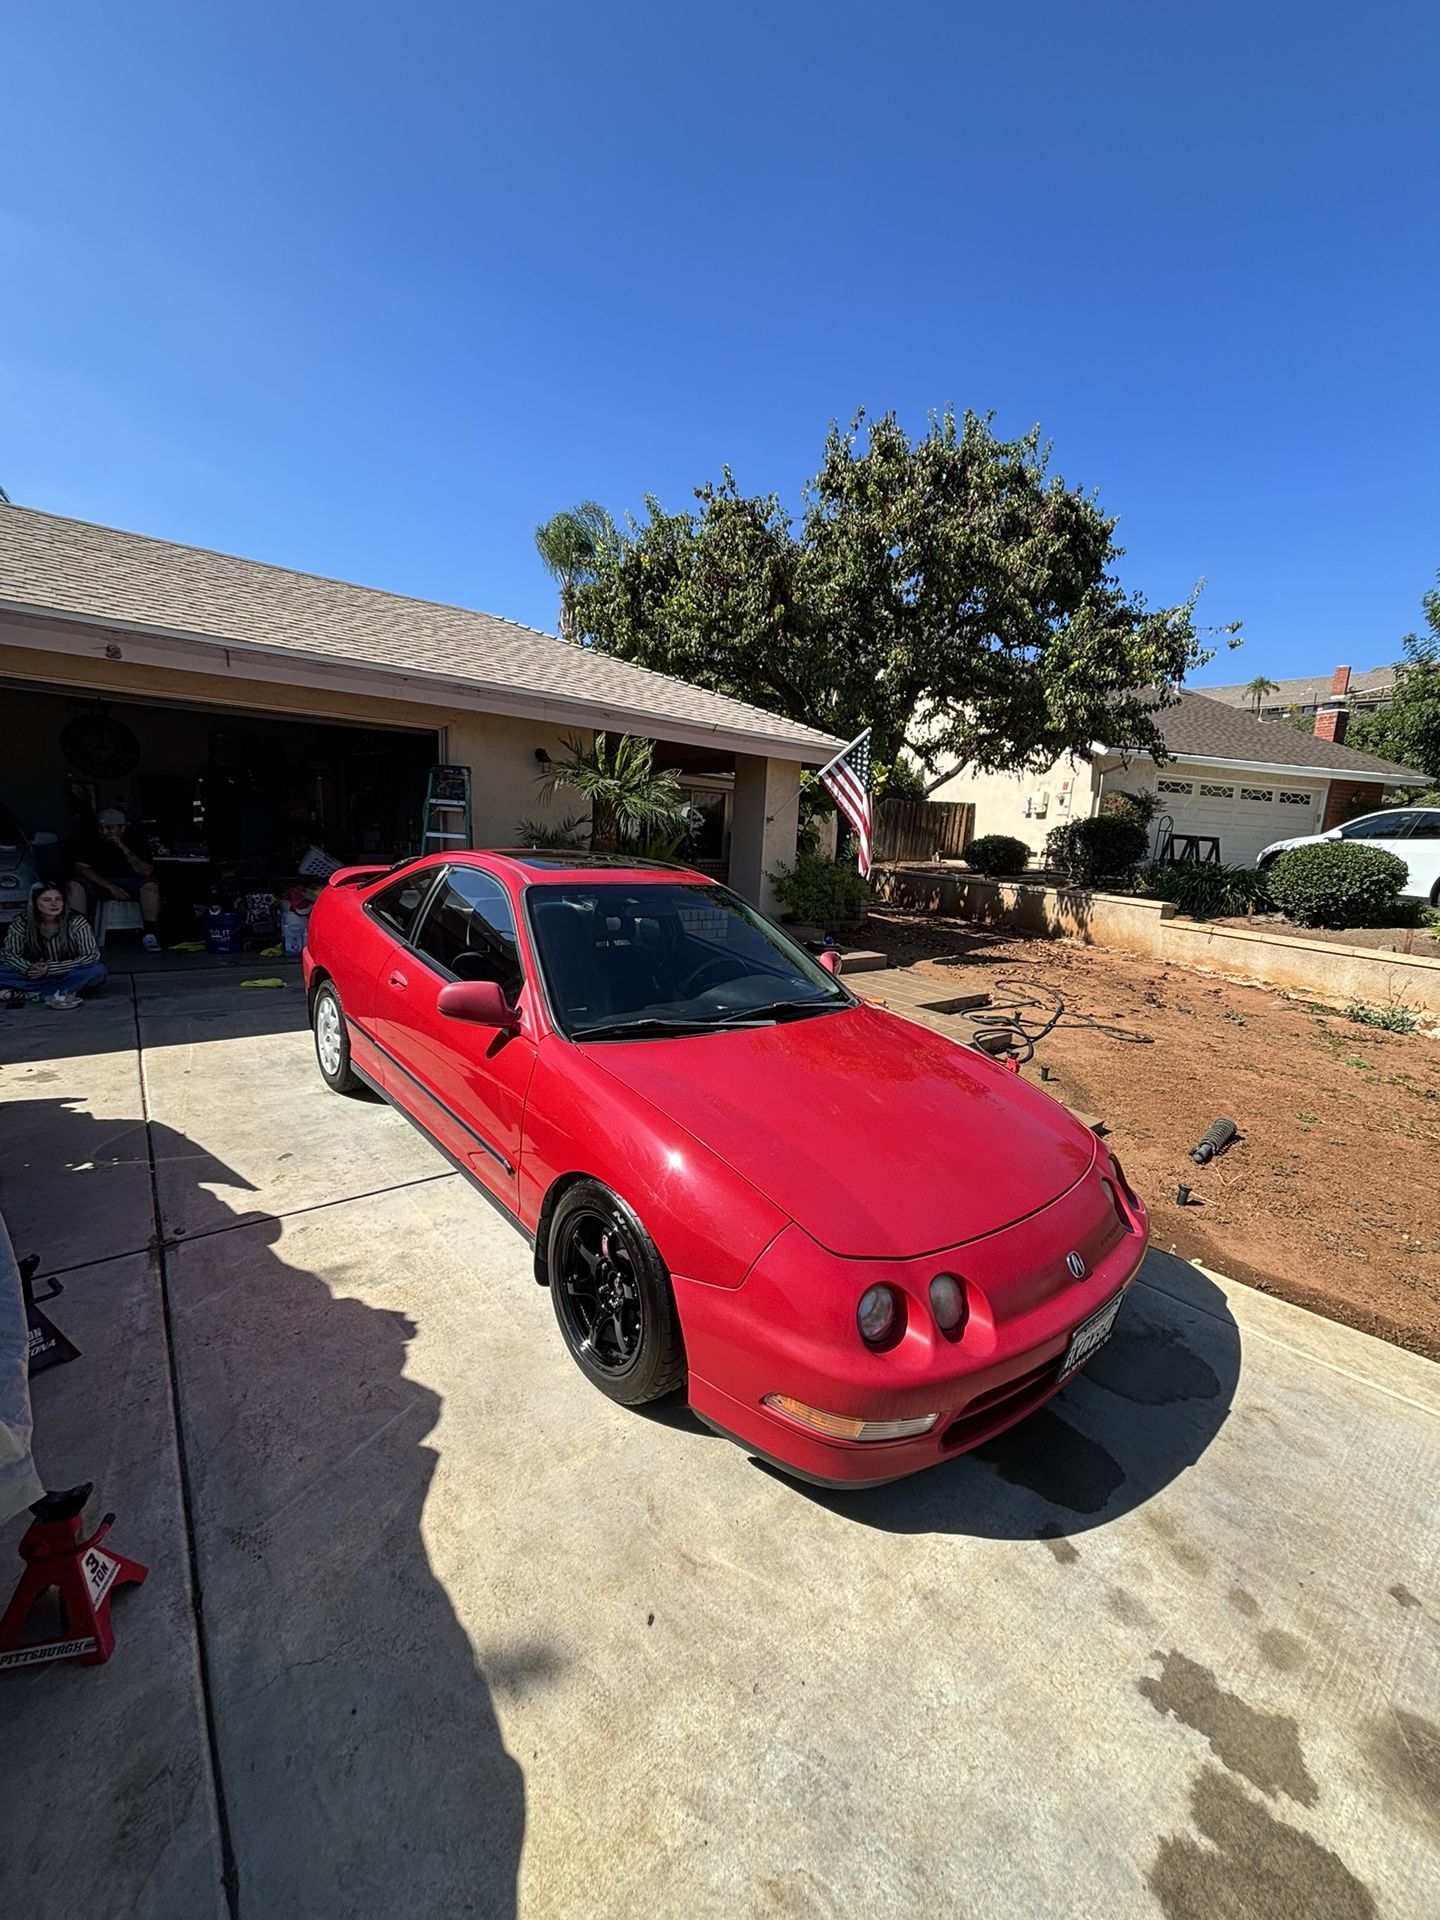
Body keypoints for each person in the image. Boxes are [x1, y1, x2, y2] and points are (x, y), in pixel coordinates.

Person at [0, 882, 108, 1009]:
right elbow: (9, 954)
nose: (54, 904)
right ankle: (56, 991)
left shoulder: (76, 922)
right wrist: (30, 968)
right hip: (33, 975)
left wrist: (50, 968)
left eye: (58, 899)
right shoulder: (22, 923)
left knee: (97, 971)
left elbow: (91, 956)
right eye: (47, 900)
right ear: (35, 903)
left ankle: (36, 994)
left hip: (68, 973)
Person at [67, 806, 162, 950]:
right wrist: (109, 886)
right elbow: (81, 868)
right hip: (100, 882)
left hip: (130, 882)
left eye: (110, 828)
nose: (105, 832)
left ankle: (150, 933)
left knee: (150, 886)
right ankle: (80, 934)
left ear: (122, 828)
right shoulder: (90, 840)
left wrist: (122, 847)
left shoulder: (135, 839)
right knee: (73, 886)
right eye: (101, 828)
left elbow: (145, 871)